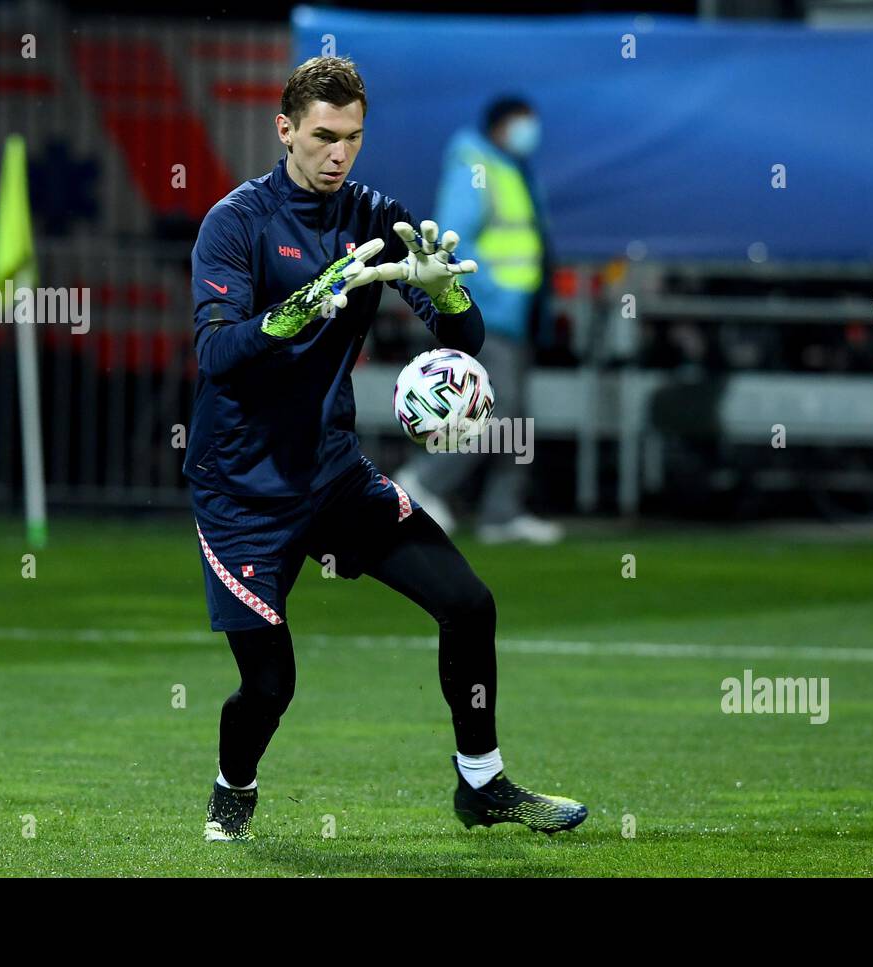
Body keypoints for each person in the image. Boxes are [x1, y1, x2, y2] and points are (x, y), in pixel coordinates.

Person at [183, 56, 587, 842]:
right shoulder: (236, 223)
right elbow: (216, 353)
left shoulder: (372, 215)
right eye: (324, 136)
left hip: (332, 475)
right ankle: (234, 785)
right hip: (240, 489)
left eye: (354, 138)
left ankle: (483, 783)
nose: (339, 153)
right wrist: (293, 311)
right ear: (286, 129)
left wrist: (445, 291)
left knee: (469, 603)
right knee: (269, 686)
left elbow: (464, 340)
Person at [394, 96, 564, 545]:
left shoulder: (512, 168)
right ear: (500, 126)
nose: (530, 131)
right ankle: (422, 483)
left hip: (518, 314)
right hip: (489, 311)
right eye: (522, 123)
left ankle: (501, 513)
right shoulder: (476, 167)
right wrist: (489, 295)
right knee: (497, 408)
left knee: (517, 416)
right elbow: (454, 238)